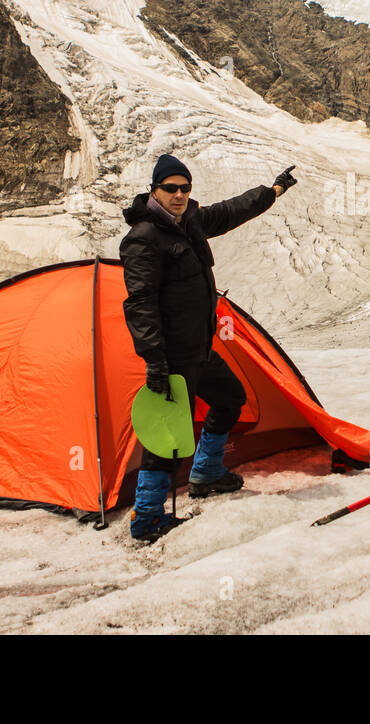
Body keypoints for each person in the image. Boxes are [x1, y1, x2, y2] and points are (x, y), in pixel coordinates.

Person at [120, 154, 297, 542]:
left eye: (185, 188)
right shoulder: (143, 239)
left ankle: (205, 474)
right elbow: (140, 304)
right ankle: (148, 517)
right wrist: (155, 361)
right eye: (171, 188)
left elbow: (232, 211)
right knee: (166, 437)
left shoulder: (191, 222)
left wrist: (273, 191)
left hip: (200, 349)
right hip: (172, 356)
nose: (180, 194)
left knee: (230, 398)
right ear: (154, 191)